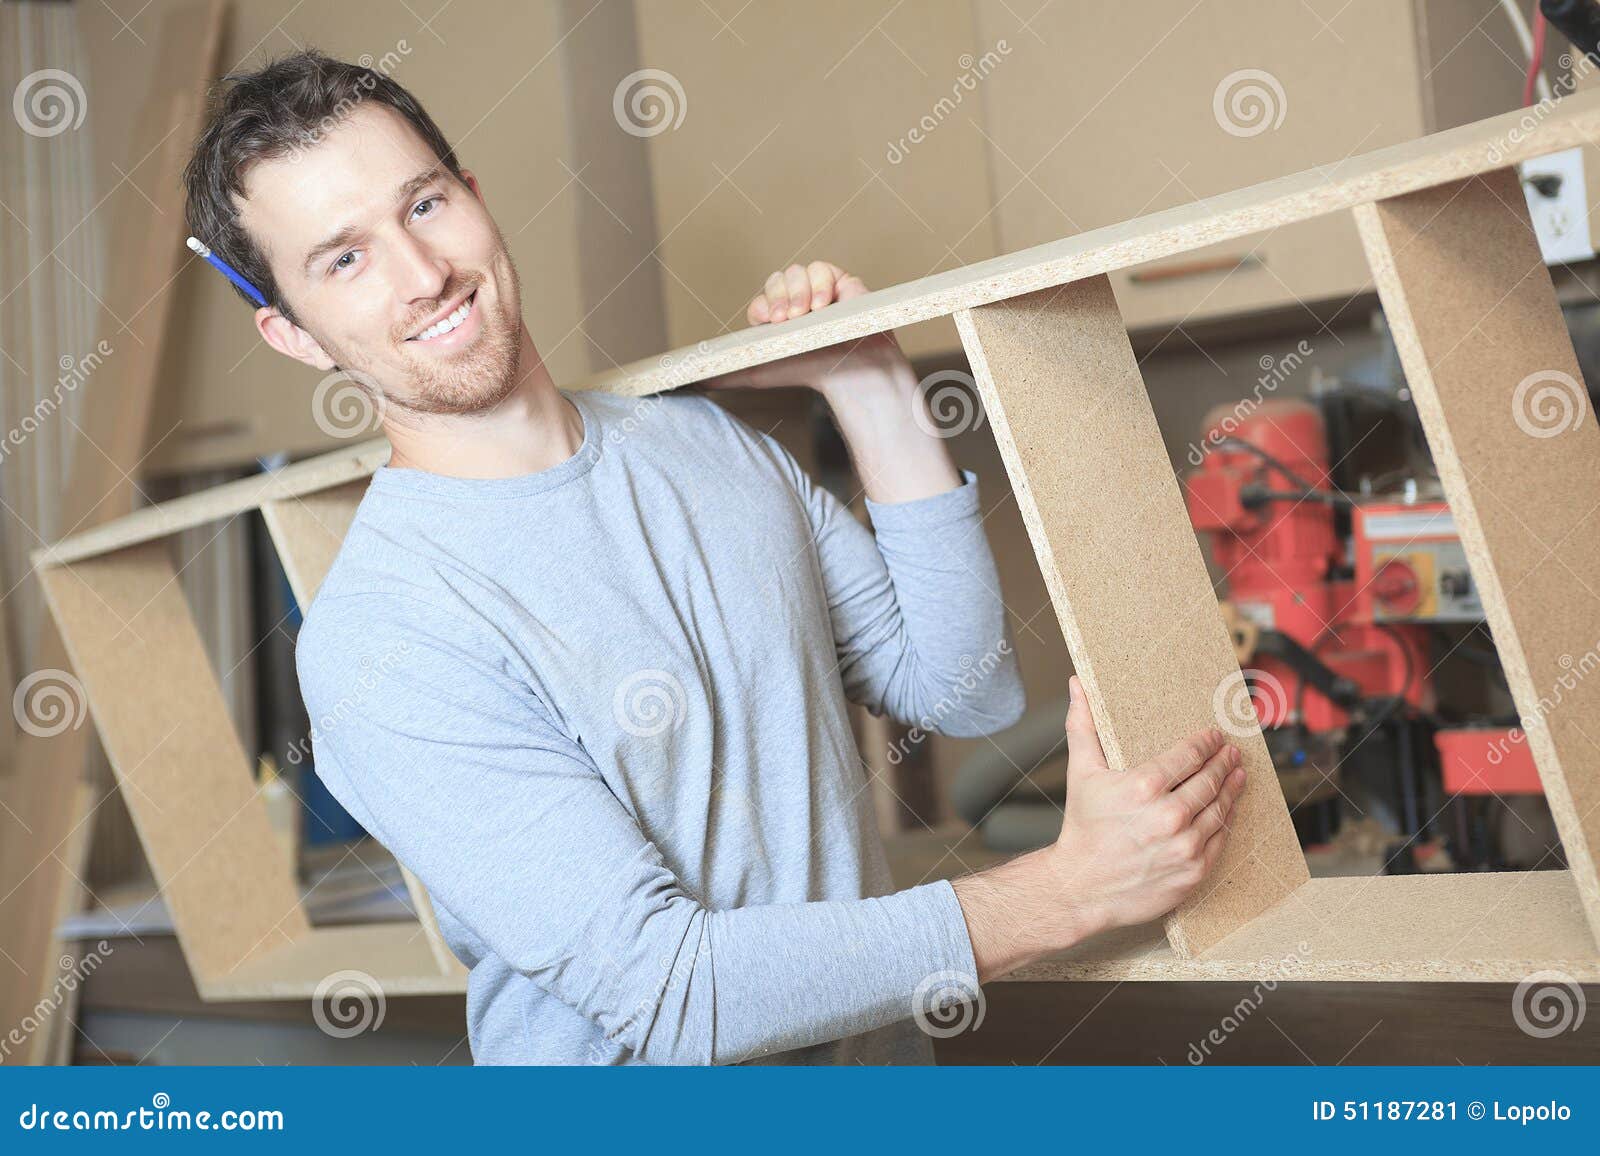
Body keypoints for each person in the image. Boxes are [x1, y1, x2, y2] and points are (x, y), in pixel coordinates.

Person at [183, 50, 1246, 1065]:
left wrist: (871, 387)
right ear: (295, 333)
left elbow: (960, 687)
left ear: (473, 193)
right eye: (345, 258)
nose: (423, 274)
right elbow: (671, 989)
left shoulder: (709, 448)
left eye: (424, 205)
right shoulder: (385, 635)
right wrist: (1068, 891)